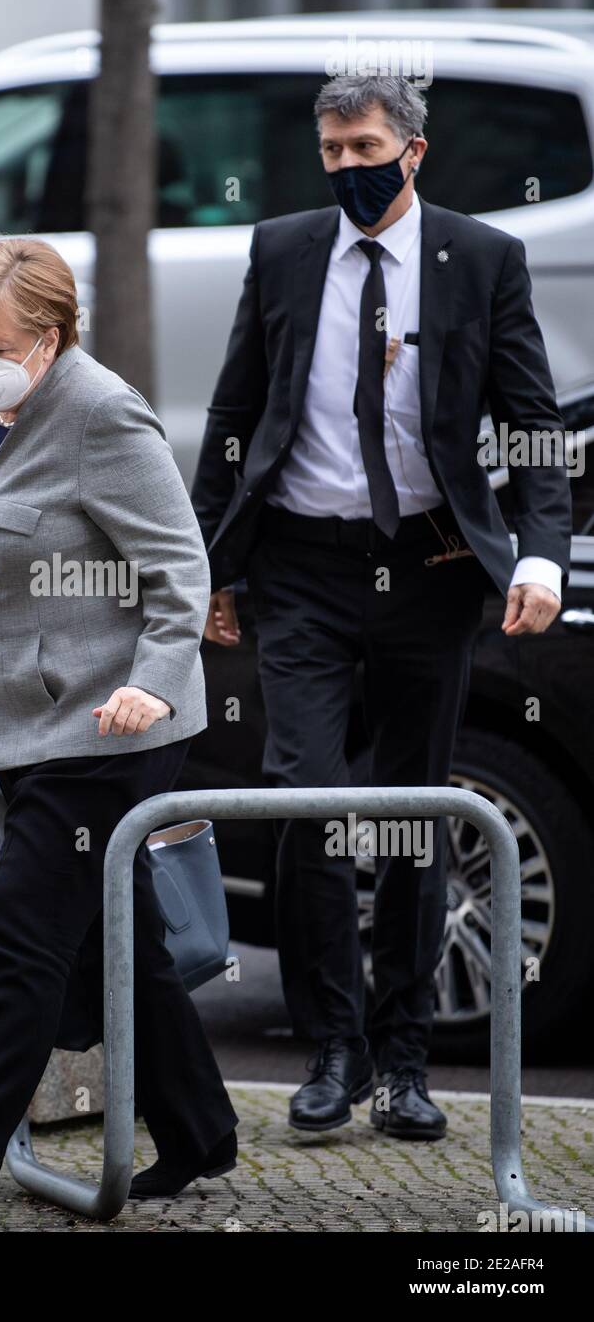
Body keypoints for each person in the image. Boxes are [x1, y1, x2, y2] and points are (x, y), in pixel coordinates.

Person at [190, 74, 571, 1142]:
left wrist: (540, 559)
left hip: (432, 566)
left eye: (366, 146)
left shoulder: (482, 260)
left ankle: (406, 1060)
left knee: (412, 811)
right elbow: (233, 414)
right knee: (303, 800)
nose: (348, 166)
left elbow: (532, 423)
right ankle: (333, 1045)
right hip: (304, 568)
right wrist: (207, 567)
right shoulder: (282, 251)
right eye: (331, 150)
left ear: (415, 150)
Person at [0, 237, 239, 1224]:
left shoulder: (99, 412)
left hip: (104, 729)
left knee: (22, 935)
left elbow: (181, 569)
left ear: (51, 339)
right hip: (26, 726)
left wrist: (153, 683)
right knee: (113, 948)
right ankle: (199, 1131)